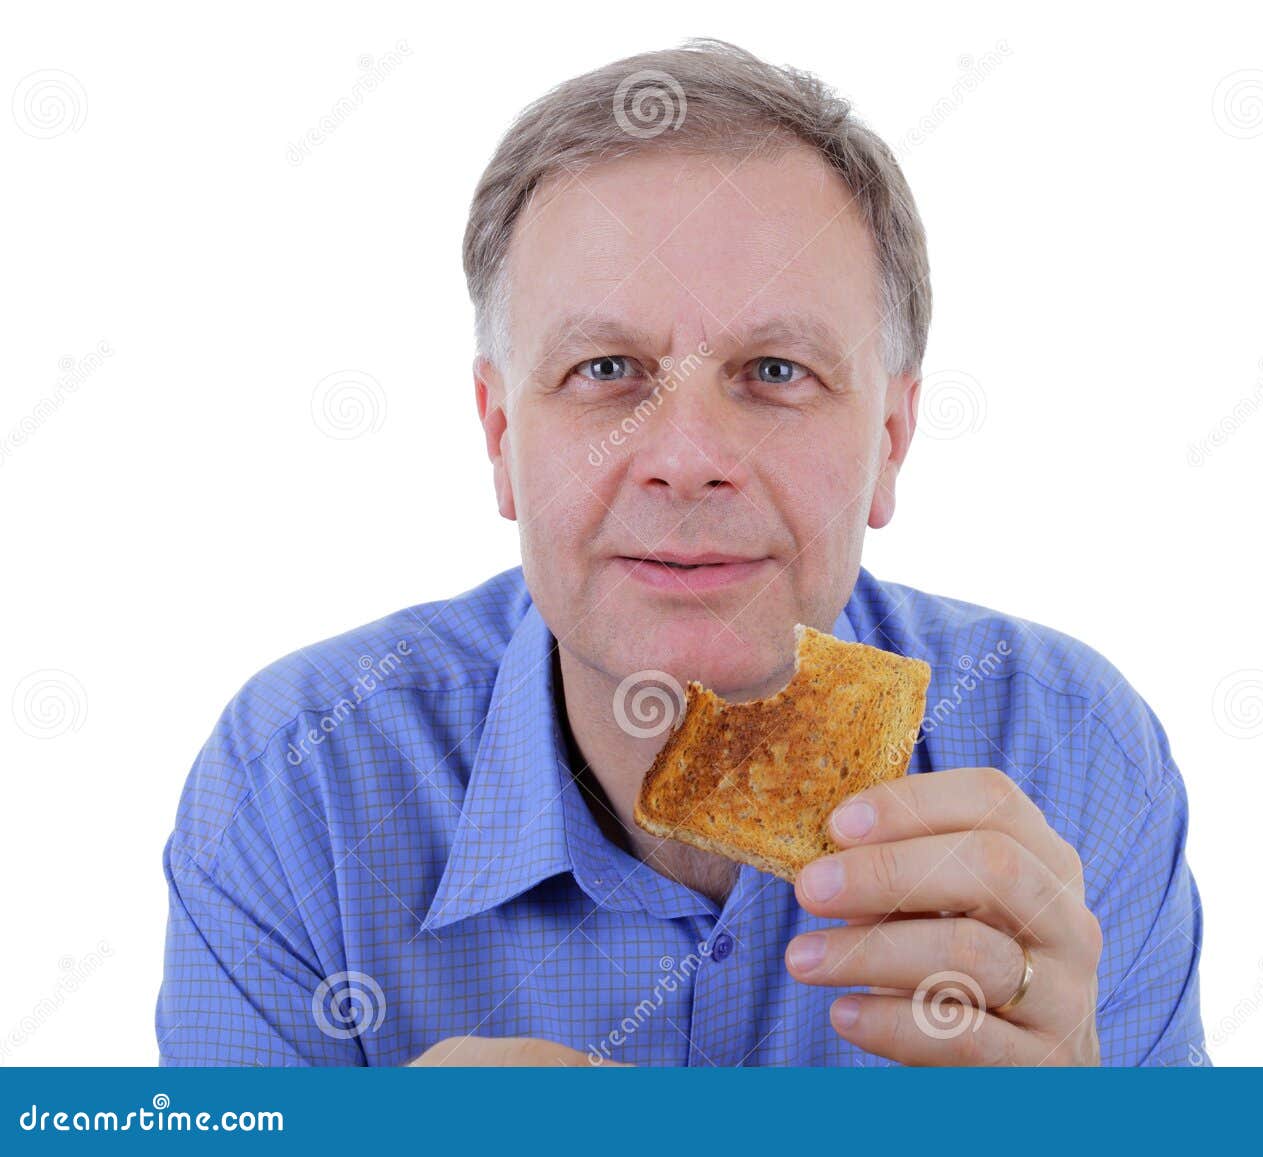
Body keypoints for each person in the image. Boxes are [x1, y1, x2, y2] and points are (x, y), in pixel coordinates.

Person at [157, 38, 1208, 1067]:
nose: (689, 456)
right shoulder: (298, 781)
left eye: (776, 370)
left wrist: (1078, 1104)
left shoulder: (1074, 759)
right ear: (499, 437)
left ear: (889, 438)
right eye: (606, 366)